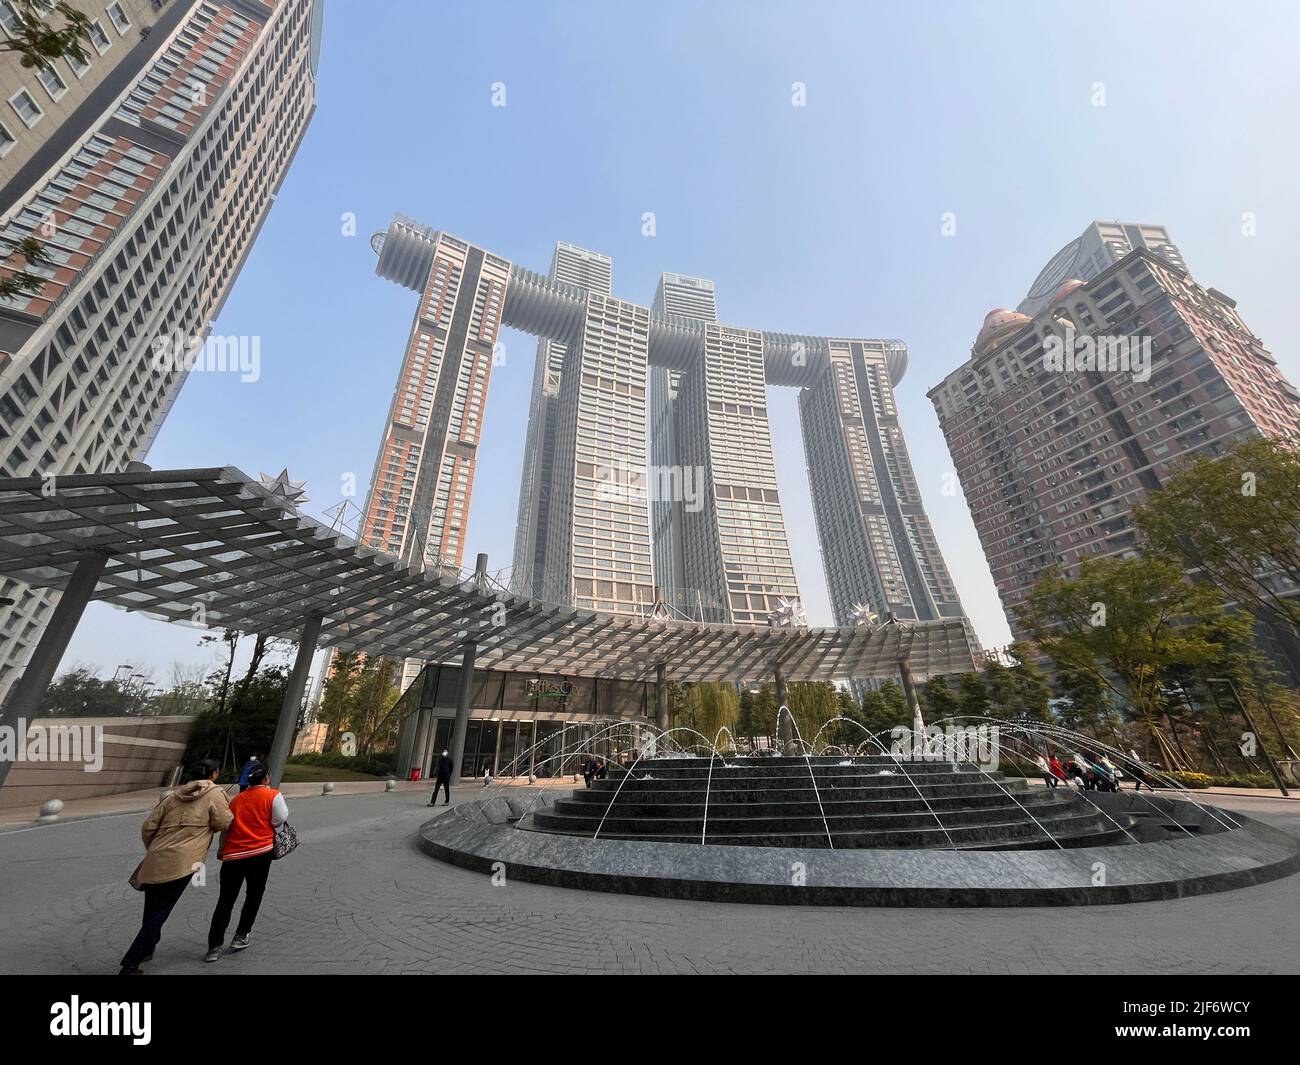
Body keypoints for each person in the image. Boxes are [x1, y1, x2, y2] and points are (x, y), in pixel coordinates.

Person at [119, 758, 232, 975]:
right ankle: (131, 962)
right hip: (183, 862)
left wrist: (155, 848)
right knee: (161, 911)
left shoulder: (173, 795)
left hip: (156, 857)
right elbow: (224, 822)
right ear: (215, 774)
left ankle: (147, 948)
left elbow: (148, 827)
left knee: (152, 907)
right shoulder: (215, 794)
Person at [206, 763, 287, 961]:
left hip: (233, 856)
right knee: (254, 895)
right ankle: (241, 935)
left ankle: (214, 946)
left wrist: (222, 850)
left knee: (225, 900)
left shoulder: (236, 800)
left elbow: (226, 826)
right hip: (260, 854)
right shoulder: (273, 795)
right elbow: (279, 820)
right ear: (266, 779)